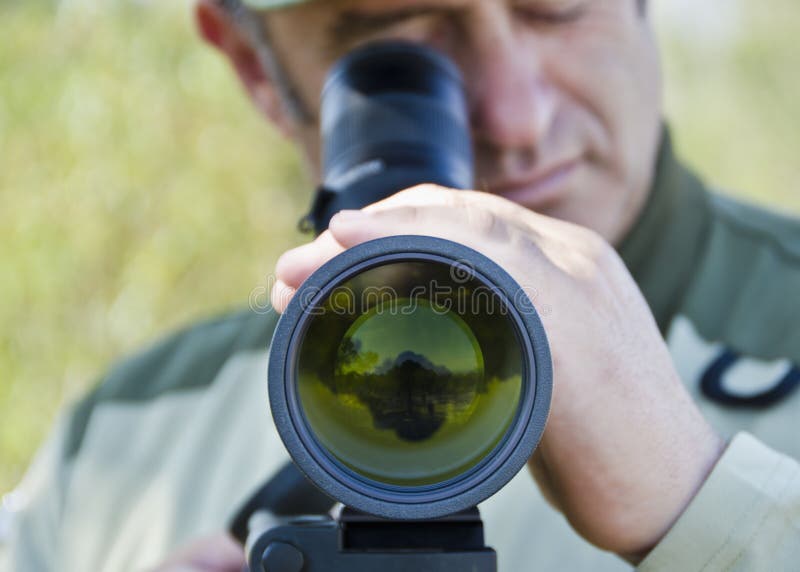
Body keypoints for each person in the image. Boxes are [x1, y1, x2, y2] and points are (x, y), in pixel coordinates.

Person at [5, 0, 800, 570]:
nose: (517, 114)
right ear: (257, 66)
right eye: (397, 37)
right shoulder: (122, 444)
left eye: (557, 11)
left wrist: (706, 513)